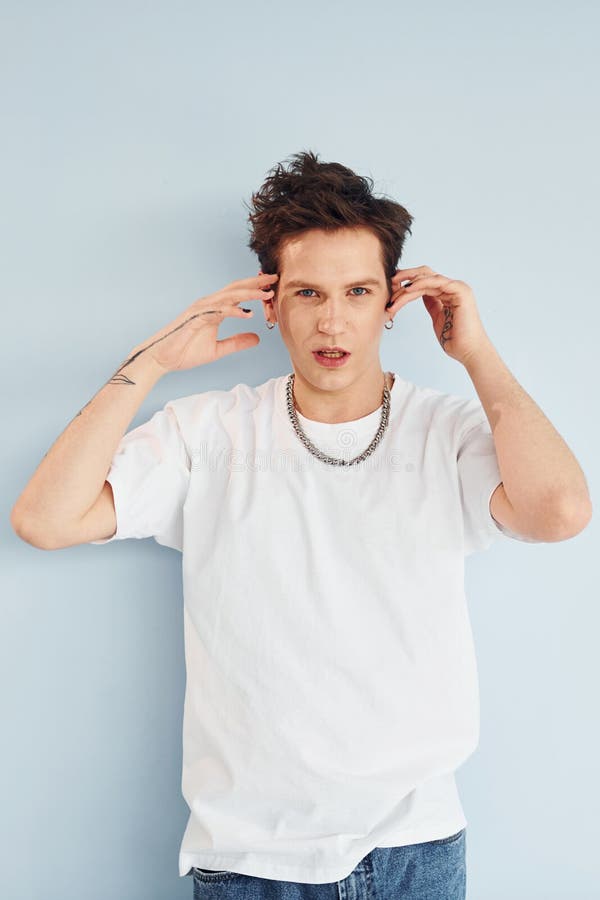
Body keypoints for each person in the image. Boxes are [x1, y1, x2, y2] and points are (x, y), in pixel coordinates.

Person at [10, 150, 592, 900]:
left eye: (357, 291)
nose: (332, 319)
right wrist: (151, 362)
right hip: (250, 858)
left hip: (412, 847)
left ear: (392, 303)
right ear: (274, 300)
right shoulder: (210, 431)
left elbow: (561, 512)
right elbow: (44, 519)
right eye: (308, 292)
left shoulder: (445, 431)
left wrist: (476, 354)